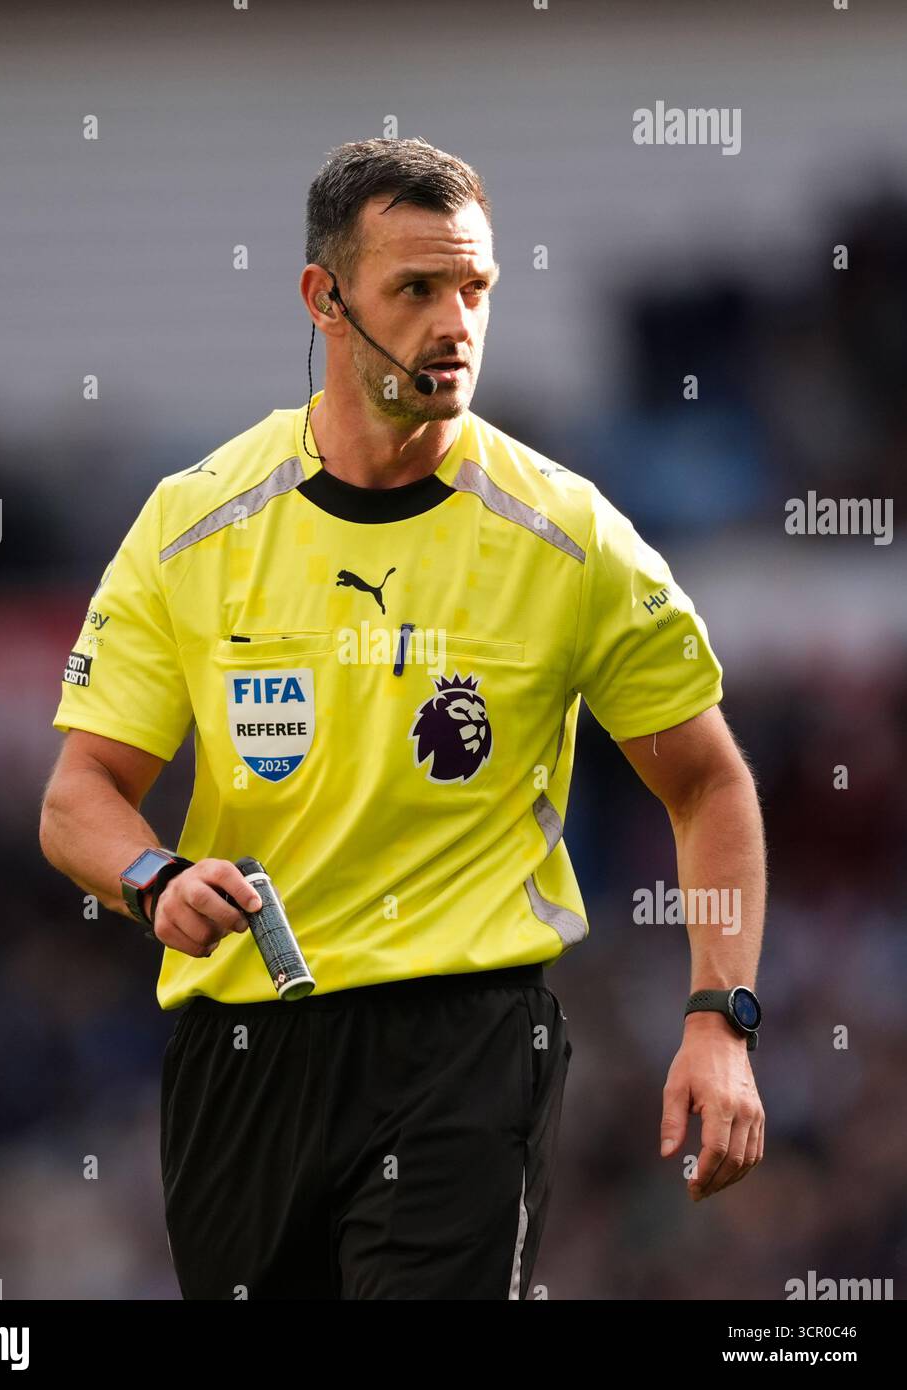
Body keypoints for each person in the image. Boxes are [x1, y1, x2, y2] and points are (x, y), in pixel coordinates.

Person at [39, 136, 766, 1301]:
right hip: (245, 1050)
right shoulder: (191, 524)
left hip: (466, 1043)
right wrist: (151, 876)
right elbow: (80, 794)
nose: (455, 323)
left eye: (475, 287)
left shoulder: (567, 534)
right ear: (324, 299)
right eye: (417, 288)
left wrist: (719, 1016)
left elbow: (709, 783)